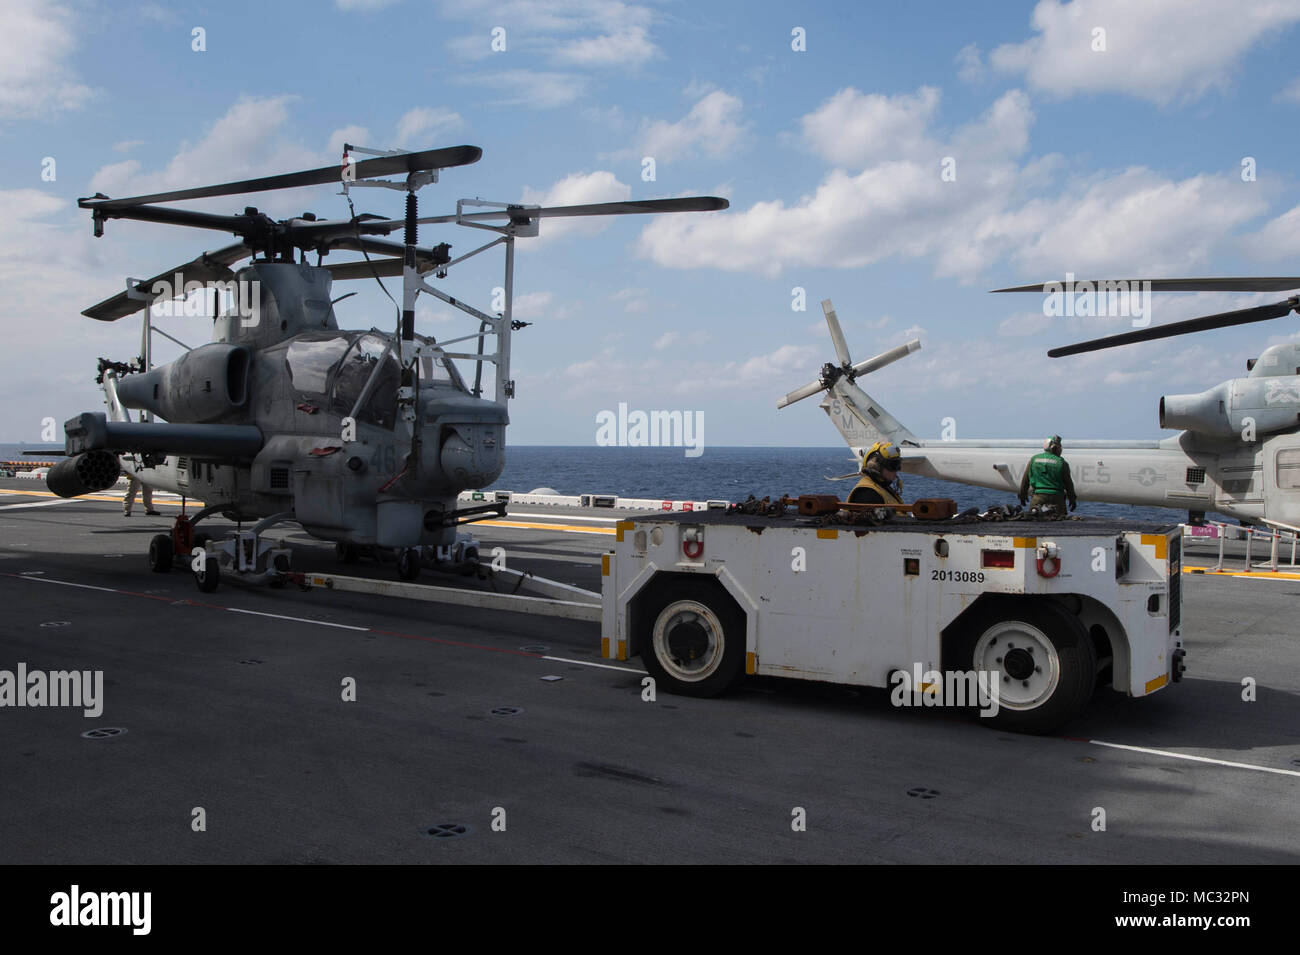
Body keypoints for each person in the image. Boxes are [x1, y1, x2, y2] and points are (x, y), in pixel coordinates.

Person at [1019, 435, 1077, 513]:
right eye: (1060, 447)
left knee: (1034, 520)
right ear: (1054, 448)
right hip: (1057, 499)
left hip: (1038, 498)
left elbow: (1025, 480)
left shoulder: (1034, 460)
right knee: (1060, 522)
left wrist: (1022, 495)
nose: (1061, 449)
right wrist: (1072, 499)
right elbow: (1068, 484)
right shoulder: (1062, 463)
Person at [848, 441, 905, 506]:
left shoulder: (881, 487)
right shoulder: (867, 493)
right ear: (876, 467)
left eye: (898, 465)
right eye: (893, 465)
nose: (897, 470)